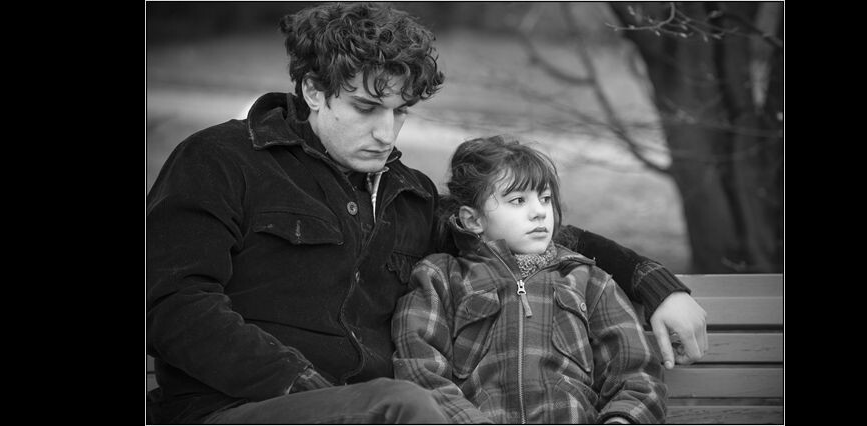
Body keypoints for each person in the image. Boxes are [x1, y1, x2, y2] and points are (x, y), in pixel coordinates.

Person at [146, 2, 706, 424]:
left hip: (384, 415)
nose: (385, 133)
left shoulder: (406, 195)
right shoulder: (221, 160)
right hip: (237, 412)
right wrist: (304, 388)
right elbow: (172, 302)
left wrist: (653, 282)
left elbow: (520, 230)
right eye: (366, 108)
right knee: (402, 406)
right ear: (315, 90)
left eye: (400, 112)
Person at [392, 135, 667, 424]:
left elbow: (638, 374)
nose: (539, 212)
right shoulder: (440, 278)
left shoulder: (589, 281)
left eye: (545, 199)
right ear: (473, 220)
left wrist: (622, 420)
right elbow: (419, 369)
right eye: (518, 200)